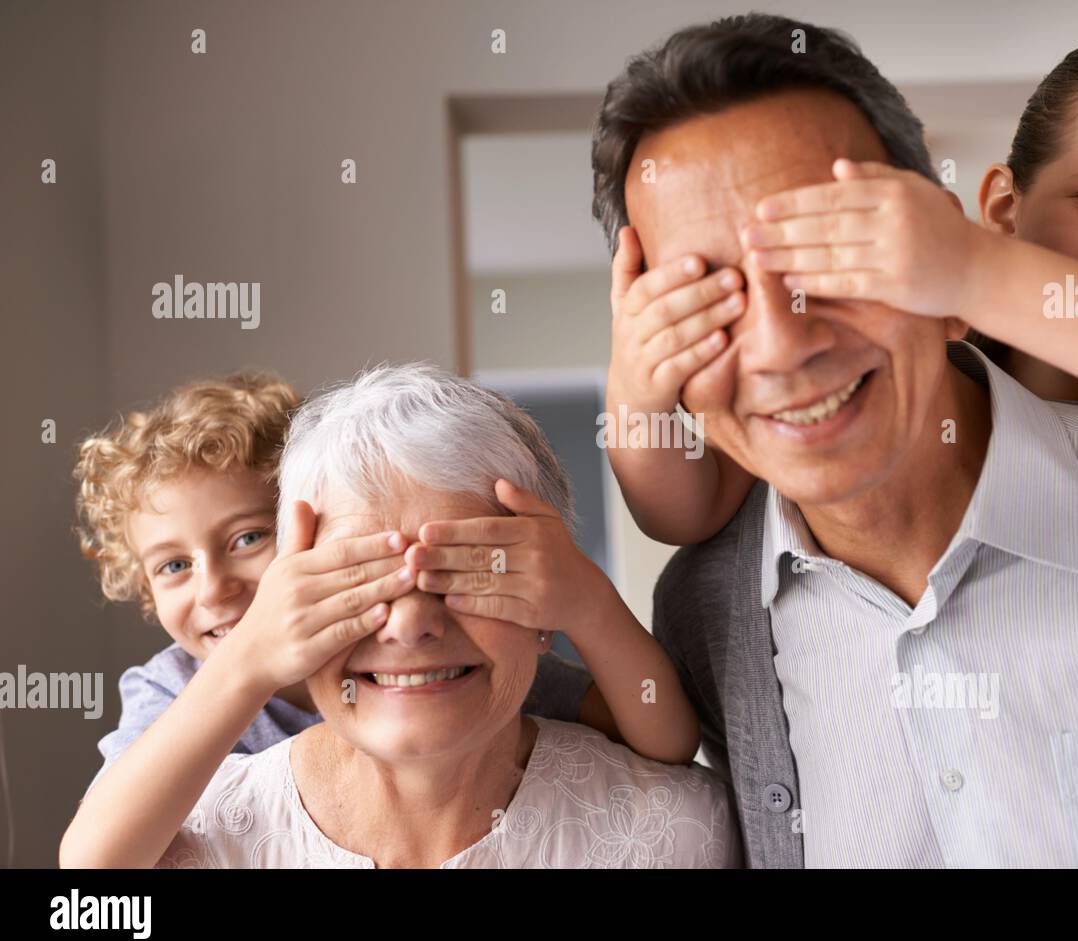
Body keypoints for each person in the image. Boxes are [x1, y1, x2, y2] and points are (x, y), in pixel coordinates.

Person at [584, 14, 1078, 867]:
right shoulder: (711, 615)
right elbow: (676, 504)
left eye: (829, 261)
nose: (781, 342)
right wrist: (633, 387)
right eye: (705, 295)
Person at [602, 30, 1078, 546]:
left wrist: (971, 269)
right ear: (1001, 208)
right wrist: (636, 384)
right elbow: (679, 514)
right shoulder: (888, 379)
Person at [63, 364, 737, 868]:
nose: (411, 623)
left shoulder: (675, 831)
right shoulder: (186, 732)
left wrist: (586, 597)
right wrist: (251, 659)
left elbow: (664, 738)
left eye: (463, 573)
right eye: (360, 579)